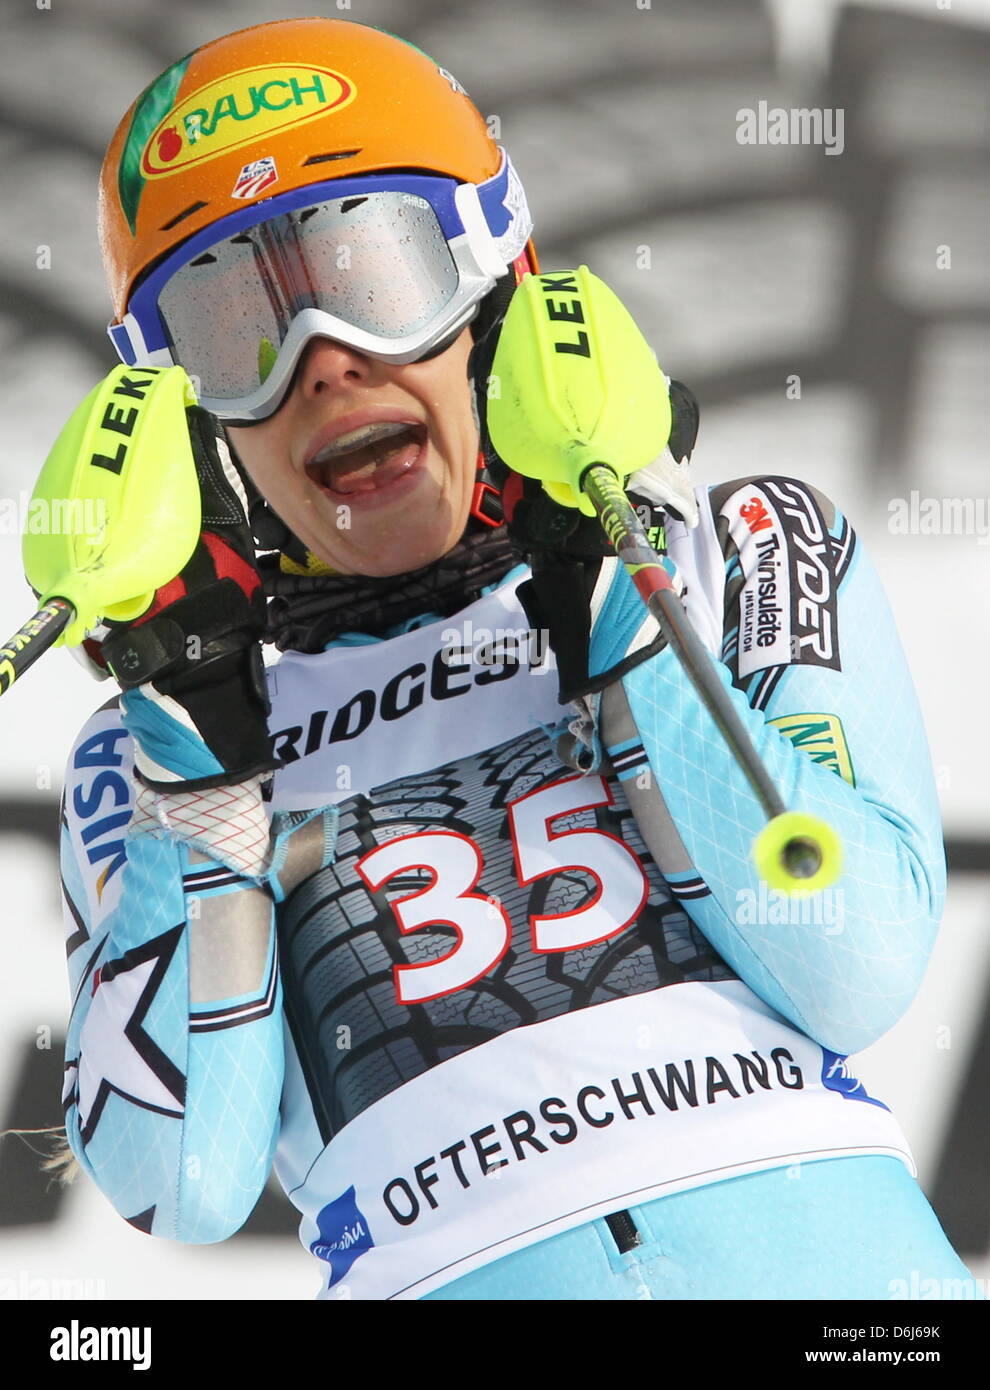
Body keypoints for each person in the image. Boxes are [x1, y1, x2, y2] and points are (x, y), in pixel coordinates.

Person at [53, 16, 977, 1301]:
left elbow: (855, 956)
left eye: (373, 274)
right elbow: (182, 1181)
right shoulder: (148, 747)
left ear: (496, 287)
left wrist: (622, 606)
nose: (324, 360)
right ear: (171, 408)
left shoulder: (744, 546)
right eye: (232, 323)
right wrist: (196, 768)